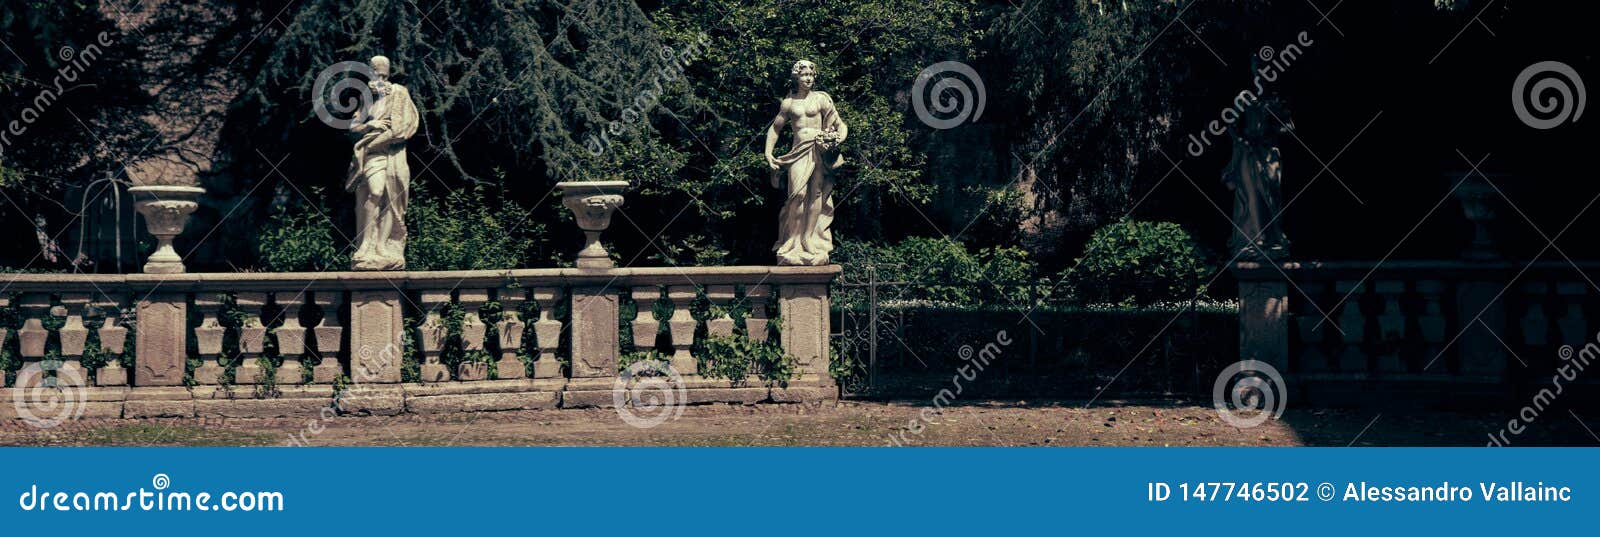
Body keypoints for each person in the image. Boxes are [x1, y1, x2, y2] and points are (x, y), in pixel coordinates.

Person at [764, 60, 848, 266]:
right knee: (797, 195)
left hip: (818, 150)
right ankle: (792, 239)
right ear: (796, 77)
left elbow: (840, 125)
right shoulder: (789, 103)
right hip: (798, 152)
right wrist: (768, 154)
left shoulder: (821, 99)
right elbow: (775, 129)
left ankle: (808, 238)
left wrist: (838, 139)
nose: (808, 78)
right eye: (803, 74)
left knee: (816, 193)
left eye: (811, 74)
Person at [347, 55, 418, 270]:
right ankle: (366, 243)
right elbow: (353, 127)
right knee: (376, 192)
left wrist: (385, 135)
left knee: (391, 199)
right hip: (371, 153)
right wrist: (372, 125)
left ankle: (381, 246)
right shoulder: (366, 100)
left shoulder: (399, 93)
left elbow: (406, 125)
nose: (378, 80)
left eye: (381, 75)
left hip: (393, 153)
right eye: (374, 75)